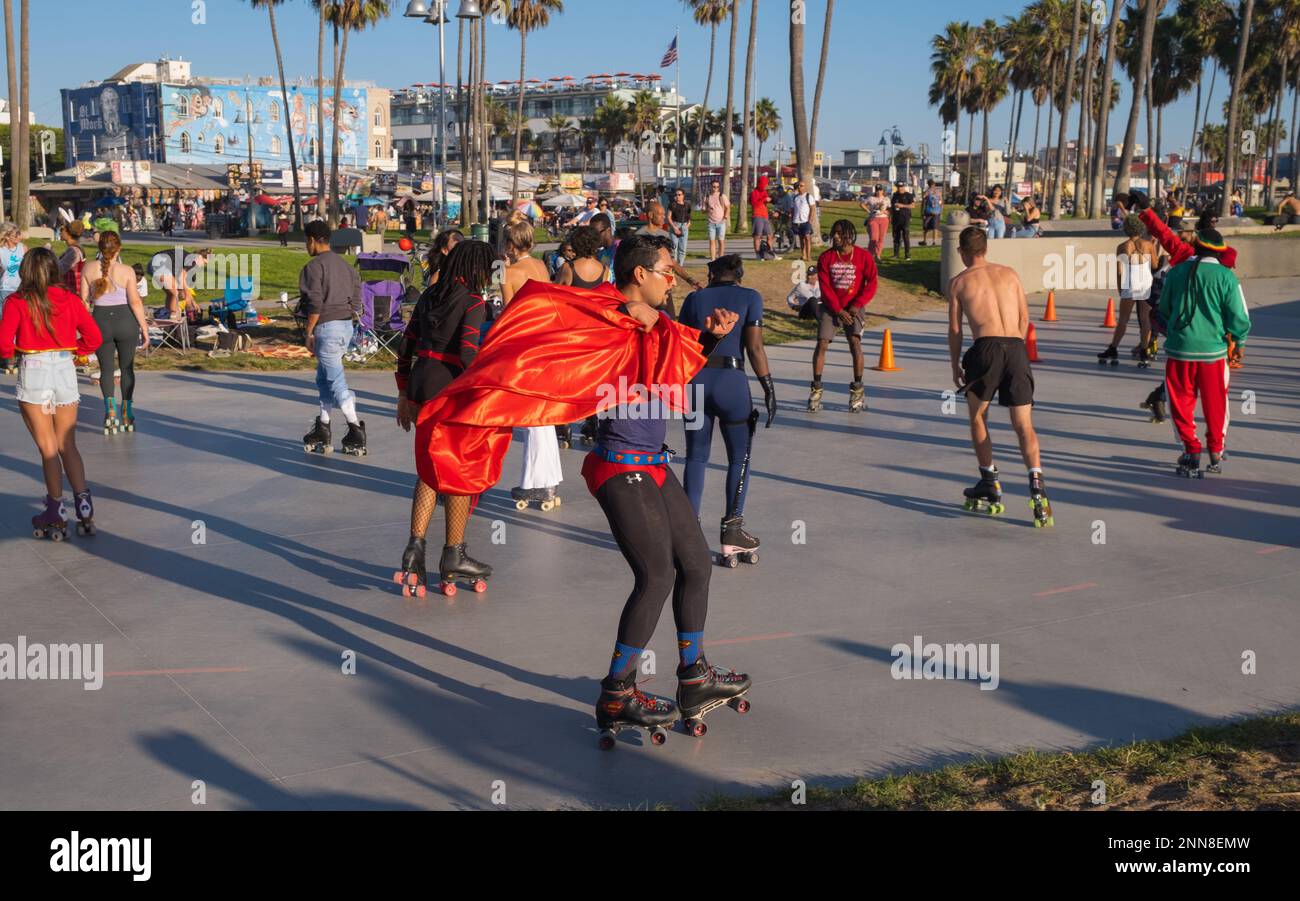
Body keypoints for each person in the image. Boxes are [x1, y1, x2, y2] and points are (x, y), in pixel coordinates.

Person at [410, 234, 751, 740]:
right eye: (665, 271)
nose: (671, 279)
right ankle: (617, 693)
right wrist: (641, 320)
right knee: (657, 576)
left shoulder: (648, 320)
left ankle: (694, 675)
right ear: (639, 274)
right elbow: (545, 322)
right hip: (619, 466)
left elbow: (669, 370)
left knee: (697, 564)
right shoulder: (605, 313)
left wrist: (705, 338)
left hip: (655, 464)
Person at [392, 240, 494, 597]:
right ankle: (454, 553)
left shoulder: (431, 294)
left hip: (421, 383)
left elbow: (405, 347)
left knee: (428, 470)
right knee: (458, 472)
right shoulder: (473, 301)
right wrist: (487, 388)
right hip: (448, 389)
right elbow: (467, 353)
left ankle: (414, 550)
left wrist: (404, 393)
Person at [947, 226, 1053, 527]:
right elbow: (1024, 318)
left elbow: (956, 329)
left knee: (978, 416)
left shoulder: (959, 282)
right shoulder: (1010, 274)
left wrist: (955, 363)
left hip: (985, 348)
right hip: (1016, 348)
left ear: (962, 252)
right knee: (1024, 425)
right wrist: (1013, 349)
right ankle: (1036, 484)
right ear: (986, 249)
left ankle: (990, 481)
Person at [679, 254, 775, 567]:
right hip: (731, 383)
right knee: (739, 457)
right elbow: (755, 348)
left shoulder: (695, 299)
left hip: (694, 382)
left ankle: (687, 535)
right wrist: (768, 388)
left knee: (695, 456)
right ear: (739, 274)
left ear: (712, 274)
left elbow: (682, 344)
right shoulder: (750, 298)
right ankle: (732, 531)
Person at [0, 248, 103, 540]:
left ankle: (56, 509)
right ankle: (83, 503)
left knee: (48, 448)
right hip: (63, 369)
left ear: (25, 272)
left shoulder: (17, 302)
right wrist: (76, 353)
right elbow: (93, 337)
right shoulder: (69, 300)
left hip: (34, 370)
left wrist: (11, 355)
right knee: (67, 443)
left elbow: (4, 345)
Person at [1159, 228, 1251, 477]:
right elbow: (1237, 317)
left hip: (1179, 351)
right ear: (1219, 252)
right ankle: (1216, 451)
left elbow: (1164, 309)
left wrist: (1178, 331)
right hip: (1214, 353)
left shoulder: (1176, 272)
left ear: (1197, 246)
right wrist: (1239, 342)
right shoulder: (1225, 276)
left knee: (1180, 403)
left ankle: (1190, 450)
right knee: (1216, 403)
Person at [501, 217, 565, 512]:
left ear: (512, 245)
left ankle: (534, 483)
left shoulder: (509, 272)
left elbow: (506, 314)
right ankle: (548, 480)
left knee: (532, 418)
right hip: (547, 341)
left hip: (525, 345)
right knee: (545, 416)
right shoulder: (541, 267)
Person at [299, 220, 367, 456]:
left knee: (336, 382)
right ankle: (324, 427)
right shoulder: (346, 265)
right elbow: (358, 295)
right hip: (345, 325)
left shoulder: (313, 267)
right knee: (324, 379)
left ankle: (356, 430)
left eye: (305, 242)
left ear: (312, 240)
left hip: (327, 328)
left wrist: (308, 332)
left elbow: (315, 303)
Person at [80, 232, 150, 434]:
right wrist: (144, 328)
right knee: (127, 369)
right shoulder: (126, 270)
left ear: (100, 248)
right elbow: (135, 302)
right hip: (126, 322)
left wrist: (85, 328)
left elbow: (83, 302)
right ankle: (127, 410)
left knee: (106, 369)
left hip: (101, 322)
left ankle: (110, 411)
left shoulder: (88, 268)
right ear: (118, 248)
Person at [809, 219, 878, 414]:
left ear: (850, 235)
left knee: (855, 343)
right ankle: (816, 389)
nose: (836, 237)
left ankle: (857, 391)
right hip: (832, 307)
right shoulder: (826, 258)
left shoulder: (863, 257)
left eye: (840, 233)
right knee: (822, 342)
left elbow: (872, 283)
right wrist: (838, 310)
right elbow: (825, 287)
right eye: (834, 233)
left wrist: (856, 306)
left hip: (854, 307)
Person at [1097, 215, 1163, 367]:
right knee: (1145, 320)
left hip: (1130, 283)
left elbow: (1119, 271)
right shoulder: (1148, 245)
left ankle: (1113, 348)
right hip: (1146, 284)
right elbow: (1154, 265)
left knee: (1123, 320)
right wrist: (1153, 247)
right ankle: (1144, 351)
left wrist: (1121, 289)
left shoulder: (1122, 246)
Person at [635, 201, 703, 290]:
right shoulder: (639, 236)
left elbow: (672, 262)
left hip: (665, 283)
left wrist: (689, 279)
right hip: (647, 285)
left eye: (664, 214)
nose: (664, 217)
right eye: (660, 214)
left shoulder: (665, 235)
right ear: (651, 215)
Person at [0, 222, 27, 374]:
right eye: (15, 233)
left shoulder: (23, 248)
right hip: (5, 290)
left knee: (21, 323)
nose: (18, 236)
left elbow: (28, 267)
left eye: (19, 233)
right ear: (7, 235)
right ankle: (7, 358)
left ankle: (19, 355)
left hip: (20, 289)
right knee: (5, 323)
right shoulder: (1, 251)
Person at [859, 185, 889, 261]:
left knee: (881, 239)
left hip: (884, 219)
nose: (878, 192)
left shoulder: (886, 199)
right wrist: (868, 211)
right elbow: (862, 204)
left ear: (883, 191)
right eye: (877, 190)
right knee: (873, 238)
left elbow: (890, 210)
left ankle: (878, 255)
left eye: (880, 190)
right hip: (873, 219)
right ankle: (870, 255)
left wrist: (886, 211)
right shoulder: (871, 198)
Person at [56, 221, 86, 295]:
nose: (60, 232)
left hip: (71, 293)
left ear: (68, 233)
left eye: (62, 230)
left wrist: (48, 255)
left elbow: (60, 269)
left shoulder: (74, 250)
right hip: (71, 291)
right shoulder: (74, 248)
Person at [703, 181, 730, 261]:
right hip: (711, 222)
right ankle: (713, 260)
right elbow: (703, 210)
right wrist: (707, 209)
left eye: (717, 187)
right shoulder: (707, 197)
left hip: (721, 222)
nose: (715, 188)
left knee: (721, 241)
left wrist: (725, 218)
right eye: (714, 186)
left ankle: (721, 259)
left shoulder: (722, 196)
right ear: (711, 187)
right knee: (712, 241)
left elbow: (728, 207)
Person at [790, 179, 815, 264]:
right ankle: (803, 254)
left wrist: (810, 218)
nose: (800, 187)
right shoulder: (795, 197)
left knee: (807, 238)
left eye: (802, 186)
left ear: (805, 187)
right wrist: (792, 219)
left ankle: (808, 256)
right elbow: (792, 209)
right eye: (799, 186)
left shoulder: (808, 196)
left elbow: (812, 208)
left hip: (805, 221)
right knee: (801, 239)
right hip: (797, 221)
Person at [889, 181, 915, 260]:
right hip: (896, 218)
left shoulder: (908, 195)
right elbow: (892, 206)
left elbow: (913, 205)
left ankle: (907, 255)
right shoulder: (895, 195)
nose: (899, 188)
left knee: (905, 237)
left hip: (905, 218)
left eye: (901, 187)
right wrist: (890, 215)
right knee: (896, 236)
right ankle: (896, 254)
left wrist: (902, 205)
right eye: (898, 187)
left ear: (903, 187)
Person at [749, 175, 772, 258]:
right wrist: (764, 199)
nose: (765, 186)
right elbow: (754, 204)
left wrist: (768, 201)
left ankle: (769, 253)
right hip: (757, 215)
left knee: (769, 235)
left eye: (766, 184)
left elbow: (765, 202)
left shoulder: (765, 192)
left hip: (765, 216)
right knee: (757, 236)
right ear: (760, 183)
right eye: (764, 184)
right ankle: (758, 254)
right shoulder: (754, 192)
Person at [668, 187, 692, 266]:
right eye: (676, 195)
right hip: (675, 225)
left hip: (684, 226)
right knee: (674, 247)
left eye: (679, 194)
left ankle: (680, 266)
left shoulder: (687, 205)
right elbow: (668, 217)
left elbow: (689, 217)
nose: (677, 196)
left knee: (682, 248)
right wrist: (674, 227)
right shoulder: (672, 204)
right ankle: (674, 266)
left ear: (683, 195)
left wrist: (687, 226)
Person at [921, 179, 944, 246]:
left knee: (926, 227)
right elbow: (941, 202)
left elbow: (923, 203)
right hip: (936, 212)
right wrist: (941, 211)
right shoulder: (938, 192)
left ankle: (925, 240)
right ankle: (934, 241)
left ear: (928, 184)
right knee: (935, 227)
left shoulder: (927, 192)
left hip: (928, 212)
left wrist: (922, 212)